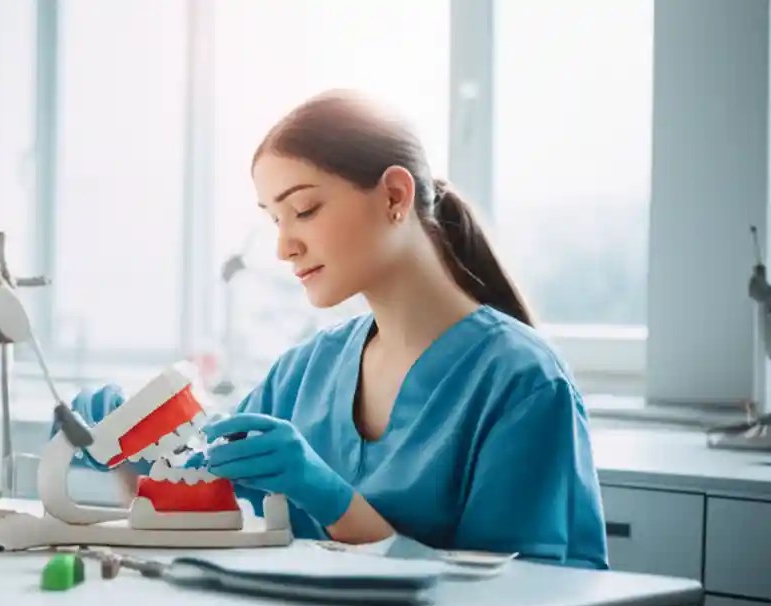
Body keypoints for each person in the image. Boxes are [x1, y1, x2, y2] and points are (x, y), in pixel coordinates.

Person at [66, 89, 608, 570]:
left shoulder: (521, 384)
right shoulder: (304, 374)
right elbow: (195, 522)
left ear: (395, 196)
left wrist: (332, 499)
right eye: (273, 219)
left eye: (303, 209)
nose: (283, 246)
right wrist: (126, 448)